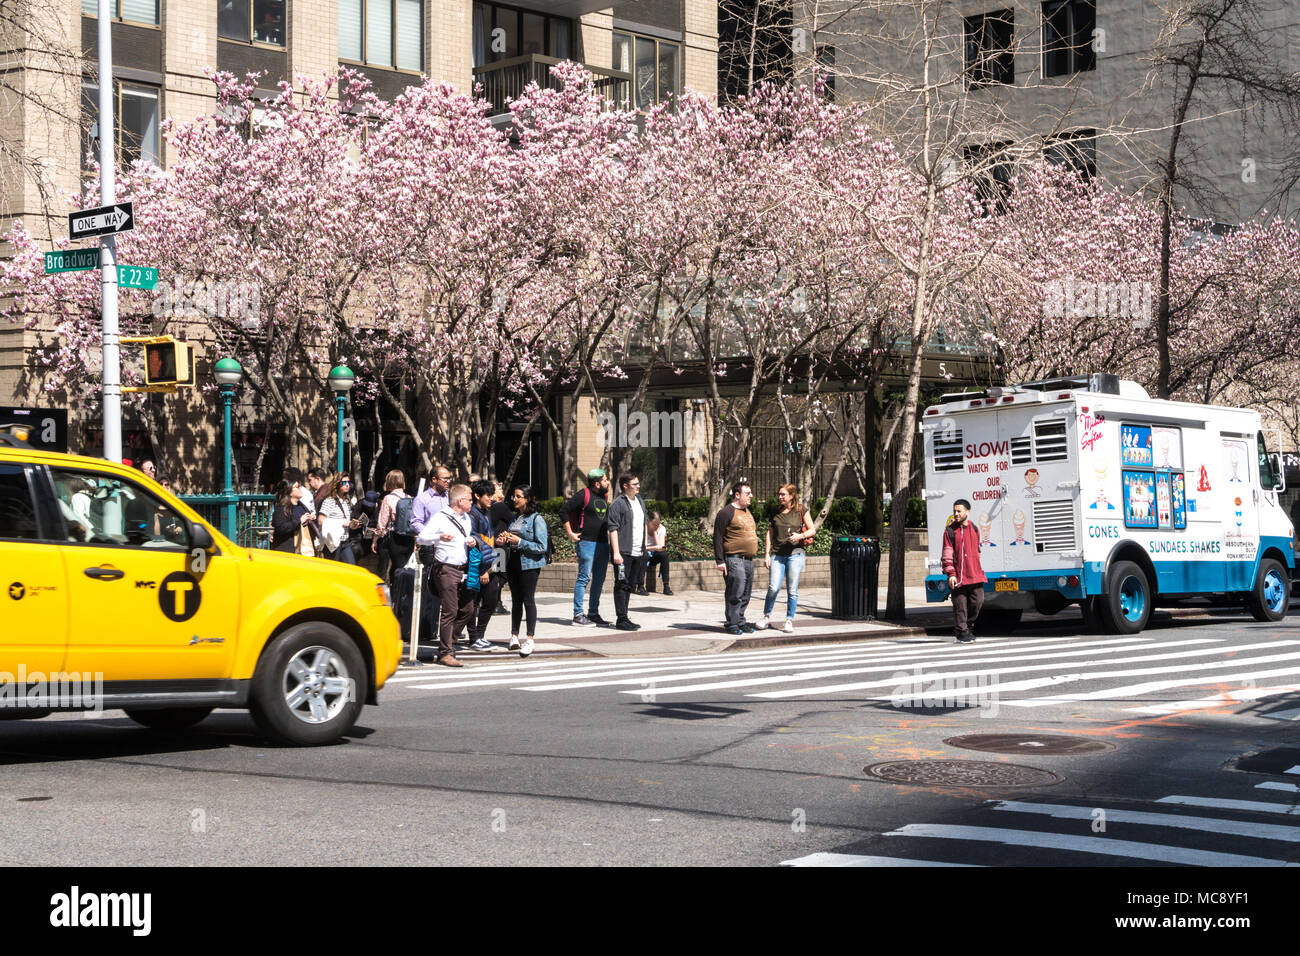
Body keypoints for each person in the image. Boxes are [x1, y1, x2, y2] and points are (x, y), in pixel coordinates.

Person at [418, 483, 478, 667]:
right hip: (445, 568)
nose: (472, 502)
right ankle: (445, 652)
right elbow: (421, 537)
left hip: (463, 569)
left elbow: (469, 537)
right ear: (460, 501)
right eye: (469, 499)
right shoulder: (440, 517)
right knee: (450, 610)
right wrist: (439, 537)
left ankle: (449, 641)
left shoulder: (467, 519)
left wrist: (473, 541)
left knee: (467, 609)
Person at [497, 483, 547, 658]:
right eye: (513, 496)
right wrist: (505, 539)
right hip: (513, 562)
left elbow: (542, 546)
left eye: (518, 496)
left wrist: (519, 542)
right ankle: (514, 636)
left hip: (529, 565)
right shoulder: (515, 518)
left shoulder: (536, 519)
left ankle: (530, 639)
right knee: (515, 600)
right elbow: (512, 538)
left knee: (528, 600)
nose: (514, 499)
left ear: (528, 499)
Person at [758, 483, 816, 632]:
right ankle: (766, 617)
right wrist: (767, 554)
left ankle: (789, 620)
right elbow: (769, 533)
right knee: (773, 587)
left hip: (795, 555)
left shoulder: (801, 510)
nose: (780, 497)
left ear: (791, 496)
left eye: (783, 494)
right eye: (779, 494)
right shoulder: (775, 512)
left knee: (792, 590)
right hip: (777, 555)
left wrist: (800, 536)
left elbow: (812, 530)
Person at [562, 468, 611, 627]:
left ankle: (593, 613)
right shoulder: (583, 494)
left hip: (603, 544)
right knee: (584, 578)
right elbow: (563, 511)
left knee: (599, 579)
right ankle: (578, 615)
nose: (607, 482)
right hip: (587, 543)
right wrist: (571, 533)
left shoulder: (604, 495)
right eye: (605, 480)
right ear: (597, 483)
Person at [713, 481, 759, 634]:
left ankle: (740, 621)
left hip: (748, 560)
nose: (751, 496)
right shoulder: (726, 512)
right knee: (735, 593)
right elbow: (718, 537)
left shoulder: (747, 511)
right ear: (737, 495)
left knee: (745, 593)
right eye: (747, 493)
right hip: (734, 559)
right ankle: (732, 623)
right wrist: (720, 561)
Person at [607, 472, 648, 631]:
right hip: (623, 553)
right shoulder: (618, 504)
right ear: (625, 486)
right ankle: (621, 619)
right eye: (635, 484)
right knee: (621, 584)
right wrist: (616, 553)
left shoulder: (639, 501)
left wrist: (644, 547)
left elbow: (644, 524)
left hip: (638, 552)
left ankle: (625, 617)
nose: (638, 486)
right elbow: (613, 529)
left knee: (630, 585)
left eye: (638, 483)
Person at [942, 498, 986, 644]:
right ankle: (962, 632)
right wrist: (951, 574)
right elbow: (947, 554)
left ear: (968, 512)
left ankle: (968, 626)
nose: (956, 514)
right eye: (954, 511)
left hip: (975, 575)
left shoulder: (974, 528)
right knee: (960, 607)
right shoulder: (950, 531)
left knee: (977, 602)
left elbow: (977, 551)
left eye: (959, 511)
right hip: (958, 577)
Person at [466, 479, 503, 652]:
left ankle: (479, 636)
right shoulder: (472, 515)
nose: (491, 498)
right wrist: (482, 570)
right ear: (477, 495)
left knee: (490, 599)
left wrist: (498, 541)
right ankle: (474, 638)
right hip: (479, 566)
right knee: (473, 603)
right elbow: (475, 543)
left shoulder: (486, 512)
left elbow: (487, 540)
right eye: (488, 495)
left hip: (490, 563)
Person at [374, 469, 414, 587]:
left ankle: (395, 596)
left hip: (395, 538)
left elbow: (382, 522)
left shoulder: (388, 498)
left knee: (396, 569)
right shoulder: (410, 498)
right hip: (409, 538)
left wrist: (376, 539)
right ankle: (402, 595)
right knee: (402, 568)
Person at [317, 473, 361, 563]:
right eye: (344, 482)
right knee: (333, 572)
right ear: (337, 484)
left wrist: (352, 525)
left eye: (348, 482)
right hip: (333, 543)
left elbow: (345, 522)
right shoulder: (329, 501)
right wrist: (341, 522)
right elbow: (321, 521)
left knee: (351, 569)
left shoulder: (346, 501)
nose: (347, 485)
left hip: (345, 542)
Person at [271, 478, 317, 554]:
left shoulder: (301, 506)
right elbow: (281, 528)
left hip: (304, 548)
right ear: (289, 492)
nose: (300, 488)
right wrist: (300, 521)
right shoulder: (282, 508)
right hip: (287, 550)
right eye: (297, 486)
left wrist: (312, 519)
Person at [489, 482, 513, 614]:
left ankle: (494, 602)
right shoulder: (500, 506)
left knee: (496, 574)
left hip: (493, 544)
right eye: (499, 489)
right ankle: (495, 603)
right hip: (500, 545)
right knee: (501, 575)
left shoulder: (490, 507)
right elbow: (514, 521)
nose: (501, 491)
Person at [642, 510, 672, 595]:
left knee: (664, 555)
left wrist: (655, 532)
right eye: (654, 524)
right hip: (644, 554)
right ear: (648, 521)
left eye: (657, 525)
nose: (656, 526)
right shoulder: (643, 527)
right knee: (643, 555)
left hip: (654, 555)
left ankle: (666, 586)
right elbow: (643, 548)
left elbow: (661, 546)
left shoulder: (661, 529)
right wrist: (654, 547)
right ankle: (640, 585)